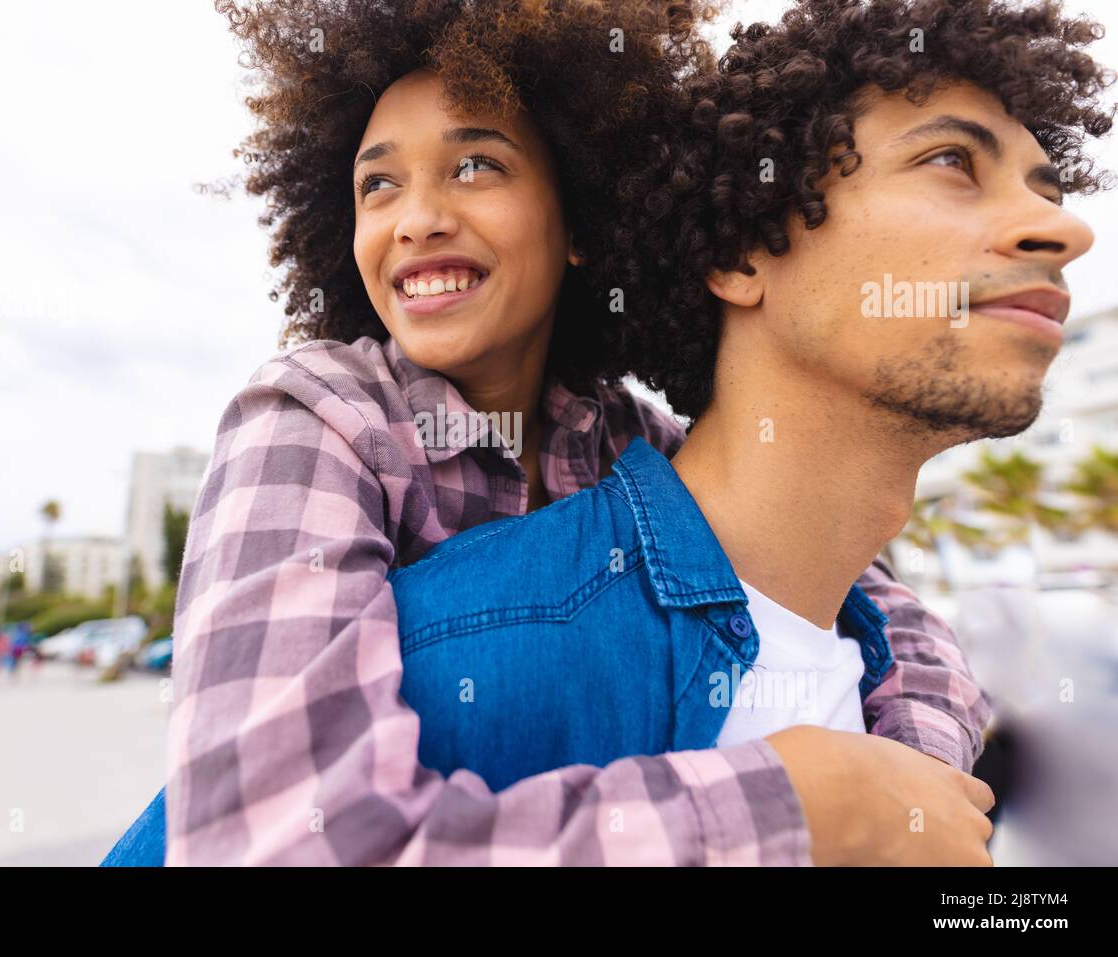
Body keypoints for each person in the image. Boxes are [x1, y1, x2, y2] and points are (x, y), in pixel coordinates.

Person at [108, 0, 997, 867]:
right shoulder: (315, 416)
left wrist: (911, 780)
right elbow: (264, 840)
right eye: (377, 184)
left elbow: (887, 617)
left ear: (580, 223)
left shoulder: (635, 440)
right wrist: (785, 812)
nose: (415, 217)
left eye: (475, 167)